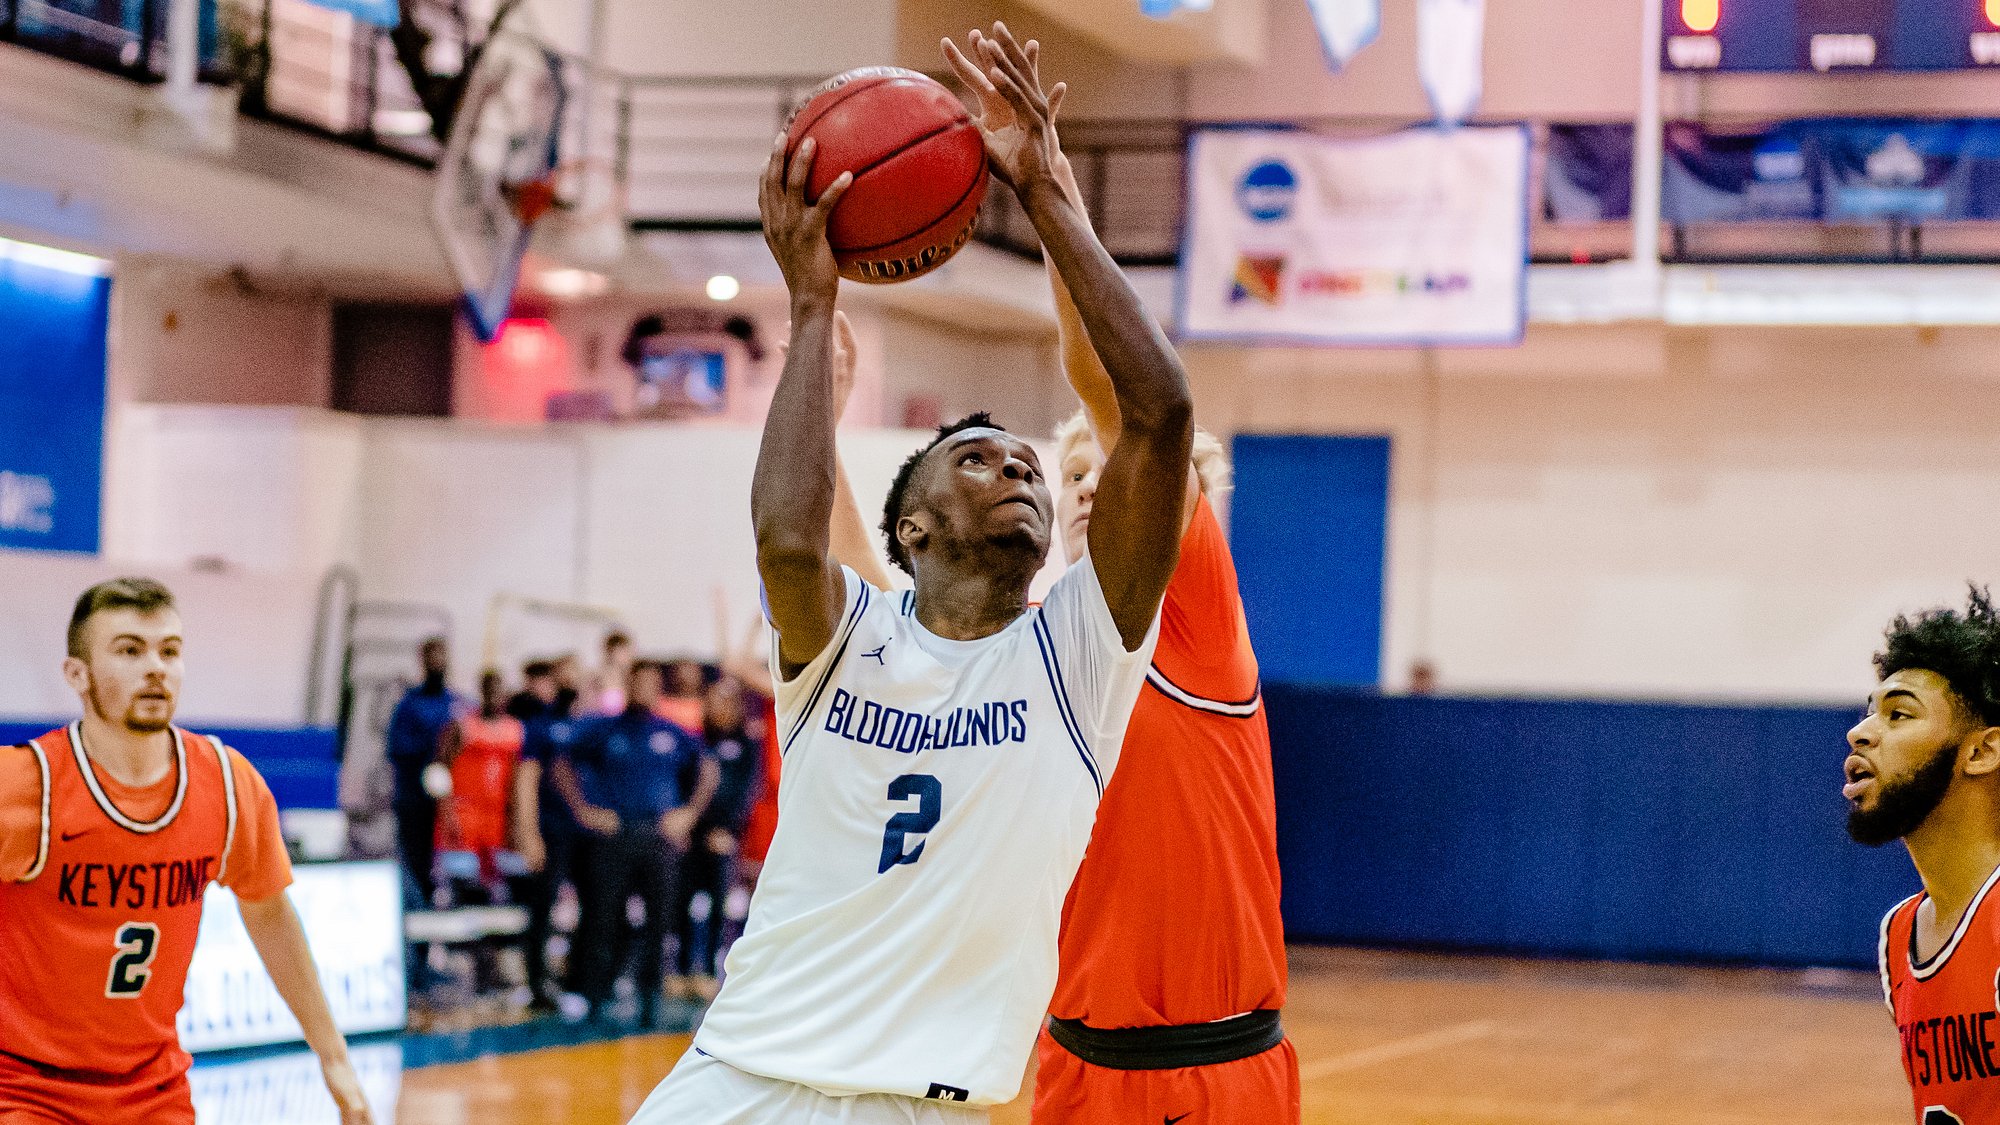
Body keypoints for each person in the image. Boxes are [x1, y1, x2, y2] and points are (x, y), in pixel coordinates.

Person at [632, 22, 1192, 1121]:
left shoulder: (1079, 656)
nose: (1017, 469)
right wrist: (808, 306)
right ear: (916, 531)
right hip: (743, 1079)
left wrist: (1045, 193)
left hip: (927, 1104)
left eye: (1021, 460)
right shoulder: (847, 641)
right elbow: (788, 543)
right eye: (972, 460)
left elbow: (1158, 414)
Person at [998, 62, 1297, 1122]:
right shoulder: (1029, 650)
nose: (1086, 493)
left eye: (1108, 478)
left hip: (1212, 1072)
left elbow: (1124, 396)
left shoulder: (1196, 624)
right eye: (1069, 479)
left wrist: (1051, 198)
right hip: (1075, 1067)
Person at [0, 578, 374, 1124]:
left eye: (169, 651)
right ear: (76, 675)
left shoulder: (227, 783)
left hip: (154, 1090)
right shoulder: (26, 784)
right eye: (129, 650)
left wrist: (334, 1057)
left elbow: (269, 913)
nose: (155, 667)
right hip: (27, 1089)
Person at [1849, 587, 2000, 1123]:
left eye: (1899, 715)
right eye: (1871, 713)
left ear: (1980, 751)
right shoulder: (1899, 936)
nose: (1859, 733)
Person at [552, 659, 718, 1027]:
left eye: (649, 684)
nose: (643, 689)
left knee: (659, 922)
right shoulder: (605, 729)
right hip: (615, 835)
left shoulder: (672, 732)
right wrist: (583, 810)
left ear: (657, 689)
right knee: (603, 918)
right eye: (637, 683)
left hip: (658, 836)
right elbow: (560, 763)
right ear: (628, 685)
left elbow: (709, 768)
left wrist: (689, 814)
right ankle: (596, 998)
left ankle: (650, 1002)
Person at [670, 673, 765, 997]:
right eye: (712, 703)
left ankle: (709, 970)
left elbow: (747, 791)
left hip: (723, 837)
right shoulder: (695, 742)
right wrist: (685, 826)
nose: (719, 710)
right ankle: (681, 969)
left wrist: (729, 830)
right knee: (682, 901)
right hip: (691, 835)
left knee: (716, 905)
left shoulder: (746, 746)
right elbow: (683, 787)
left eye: (725, 703)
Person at [385, 636, 462, 904]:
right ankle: (417, 915)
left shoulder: (457, 704)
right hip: (415, 801)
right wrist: (434, 747)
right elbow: (397, 749)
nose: (437, 663)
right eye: (432, 657)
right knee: (417, 864)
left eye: (442, 656)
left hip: (451, 805)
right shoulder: (409, 706)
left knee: (451, 867)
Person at [437, 670, 525, 890]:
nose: (494, 698)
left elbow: (517, 776)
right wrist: (447, 812)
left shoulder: (514, 729)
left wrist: (516, 817)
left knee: (502, 880)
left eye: (498, 692)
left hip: (497, 815)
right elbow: (440, 772)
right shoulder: (462, 727)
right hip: (465, 811)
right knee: (462, 879)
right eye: (489, 692)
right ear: (482, 693)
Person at [591, 631, 635, 715]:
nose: (628, 655)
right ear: (611, 652)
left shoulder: (630, 679)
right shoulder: (597, 678)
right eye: (623, 651)